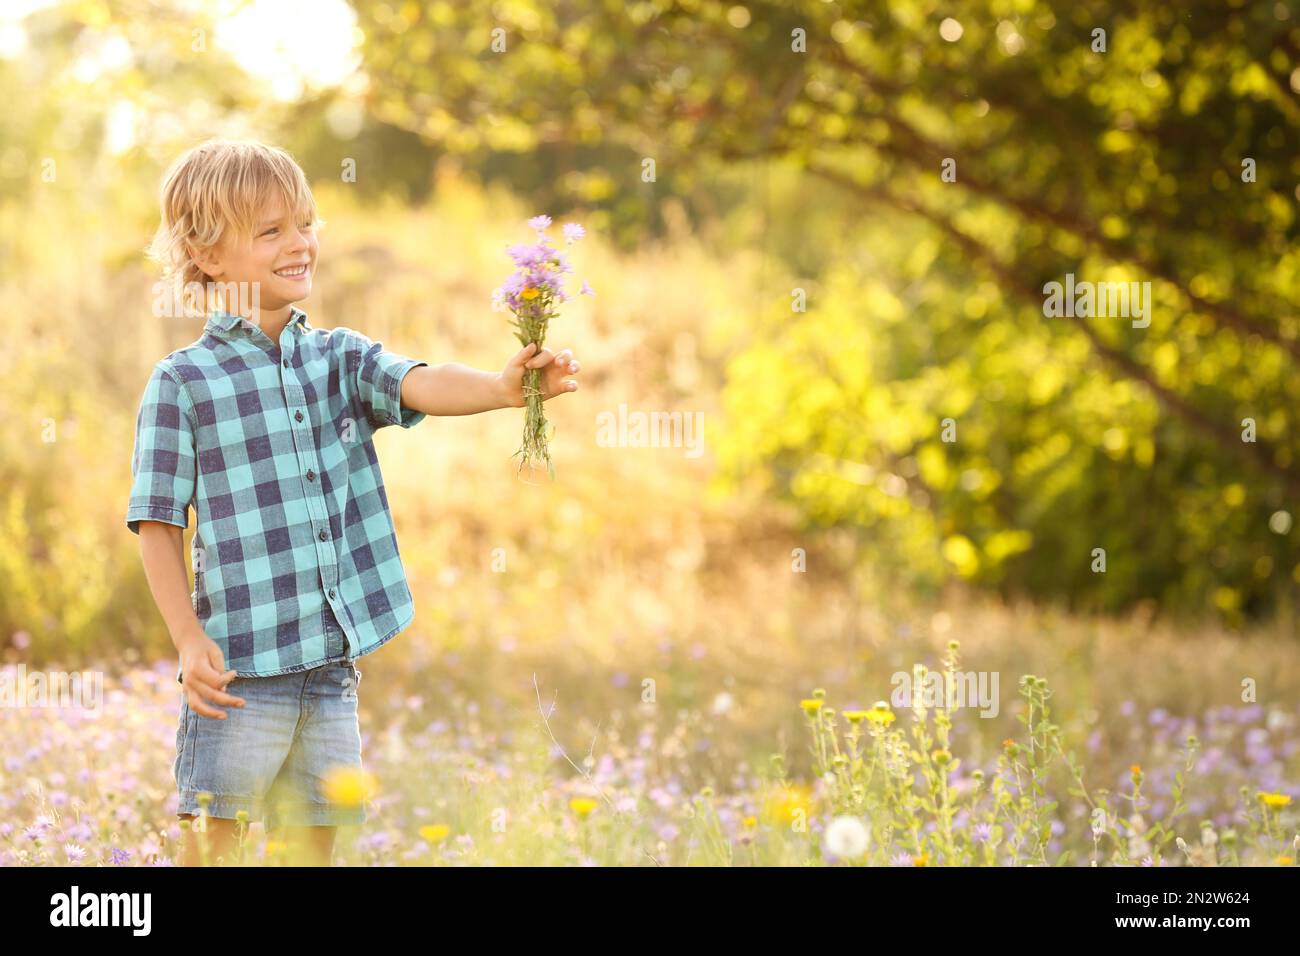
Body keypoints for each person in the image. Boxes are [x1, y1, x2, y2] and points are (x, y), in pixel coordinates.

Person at [127, 139, 581, 865]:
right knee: (216, 848)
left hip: (332, 671)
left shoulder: (336, 356)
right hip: (241, 677)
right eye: (270, 231)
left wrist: (501, 390)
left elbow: (416, 382)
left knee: (314, 848)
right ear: (207, 255)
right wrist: (187, 638)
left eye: (305, 224)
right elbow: (155, 522)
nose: (299, 243)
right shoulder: (184, 382)